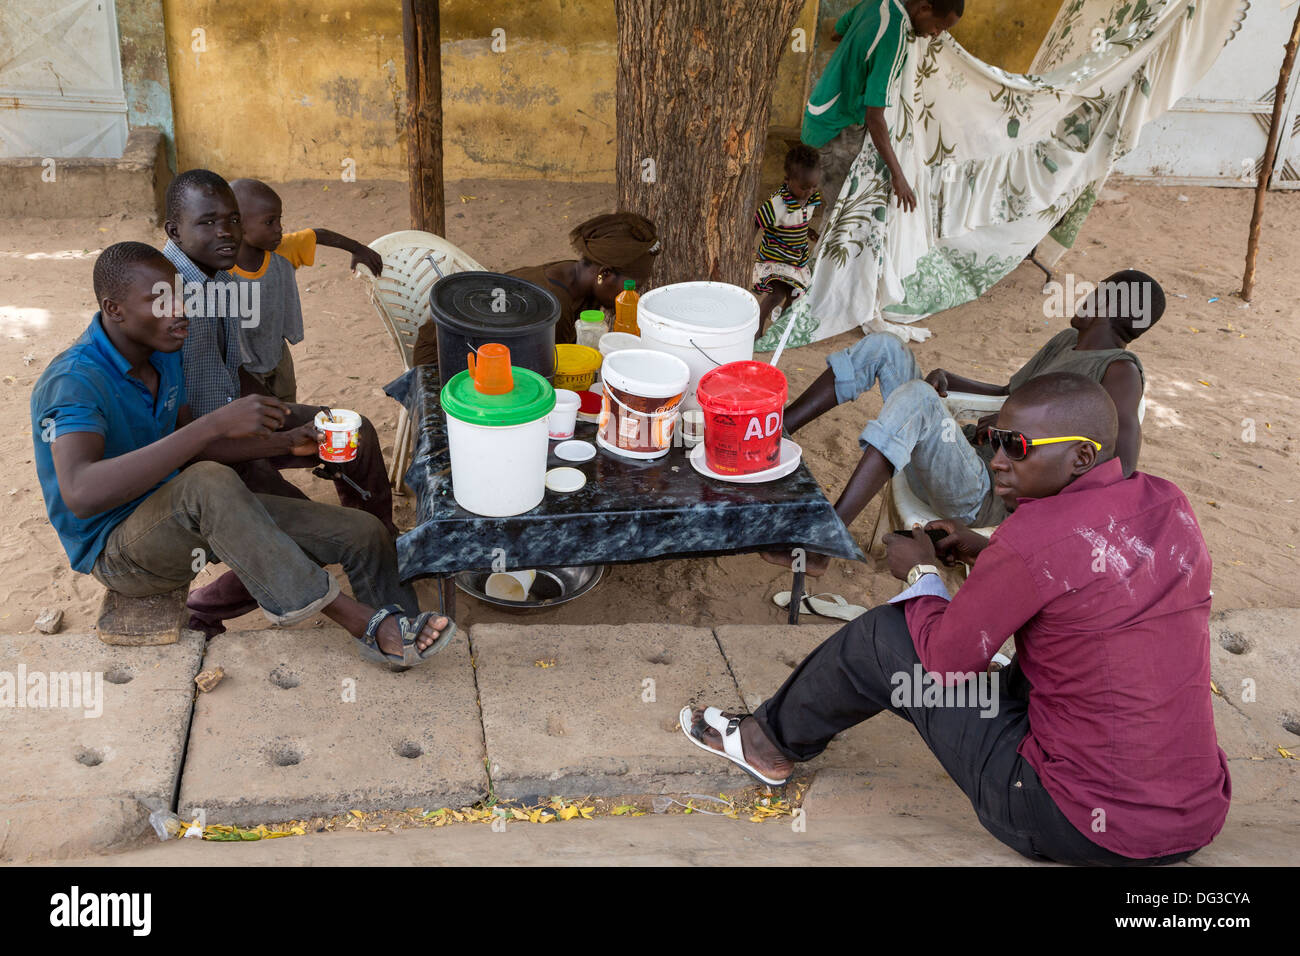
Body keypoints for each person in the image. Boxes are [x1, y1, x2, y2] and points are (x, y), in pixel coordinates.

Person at [685, 373, 1230, 866]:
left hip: (1066, 822)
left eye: (1016, 448)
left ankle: (765, 743)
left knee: (886, 635)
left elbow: (945, 662)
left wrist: (921, 575)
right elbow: (1090, 582)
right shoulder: (1168, 503)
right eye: (994, 440)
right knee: (1049, 665)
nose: (996, 460)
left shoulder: (1032, 540)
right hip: (1192, 819)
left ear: (1081, 457)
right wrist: (983, 552)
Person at [30, 242, 454, 670]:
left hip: (184, 512)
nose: (180, 310)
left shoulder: (162, 356)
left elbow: (183, 440)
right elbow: (80, 493)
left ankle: (399, 632)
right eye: (160, 301)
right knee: (207, 480)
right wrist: (212, 423)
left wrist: (285, 444)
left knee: (363, 531)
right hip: (119, 550)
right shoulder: (73, 382)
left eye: (179, 295)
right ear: (114, 308)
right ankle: (359, 620)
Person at [767, 269, 1162, 576]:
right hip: (967, 452)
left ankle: (825, 545)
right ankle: (777, 431)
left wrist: (1033, 461)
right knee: (886, 347)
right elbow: (1008, 392)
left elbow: (1122, 463)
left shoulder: (1120, 371)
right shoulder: (1065, 342)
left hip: (989, 492)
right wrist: (951, 379)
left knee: (919, 400)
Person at [160, 169, 397, 636]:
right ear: (175, 230)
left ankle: (378, 543)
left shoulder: (218, 278)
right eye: (208, 222)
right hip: (208, 458)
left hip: (239, 422)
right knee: (305, 539)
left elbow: (234, 367)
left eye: (230, 220)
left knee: (356, 431)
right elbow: (188, 442)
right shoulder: (172, 305)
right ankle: (204, 608)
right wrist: (281, 440)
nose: (225, 232)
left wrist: (276, 410)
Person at [411, 211, 661, 364]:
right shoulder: (554, 305)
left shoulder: (573, 273)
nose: (633, 296)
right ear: (604, 274)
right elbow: (551, 378)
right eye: (631, 286)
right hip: (445, 363)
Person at [227, 177, 384, 404]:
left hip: (277, 354)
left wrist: (357, 248)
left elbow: (317, 234)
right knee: (258, 417)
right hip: (243, 365)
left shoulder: (282, 250)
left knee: (288, 404)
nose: (279, 229)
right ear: (239, 225)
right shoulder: (221, 270)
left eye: (279, 220)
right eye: (269, 222)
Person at [803, 0, 964, 212]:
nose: (936, 34)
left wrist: (857, 59)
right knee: (843, 216)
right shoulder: (895, 39)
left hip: (819, 111)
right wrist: (899, 177)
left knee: (840, 209)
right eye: (938, 27)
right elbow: (874, 117)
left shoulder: (878, 3)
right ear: (925, 8)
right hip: (836, 129)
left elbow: (837, 32)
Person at [753, 145, 823, 338]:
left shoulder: (810, 200)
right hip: (774, 257)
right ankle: (756, 330)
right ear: (787, 180)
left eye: (813, 186)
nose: (809, 192)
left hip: (795, 259)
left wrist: (808, 231)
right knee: (777, 295)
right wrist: (747, 248)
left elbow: (799, 221)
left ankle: (780, 330)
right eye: (804, 187)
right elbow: (756, 222)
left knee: (793, 296)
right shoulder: (777, 204)